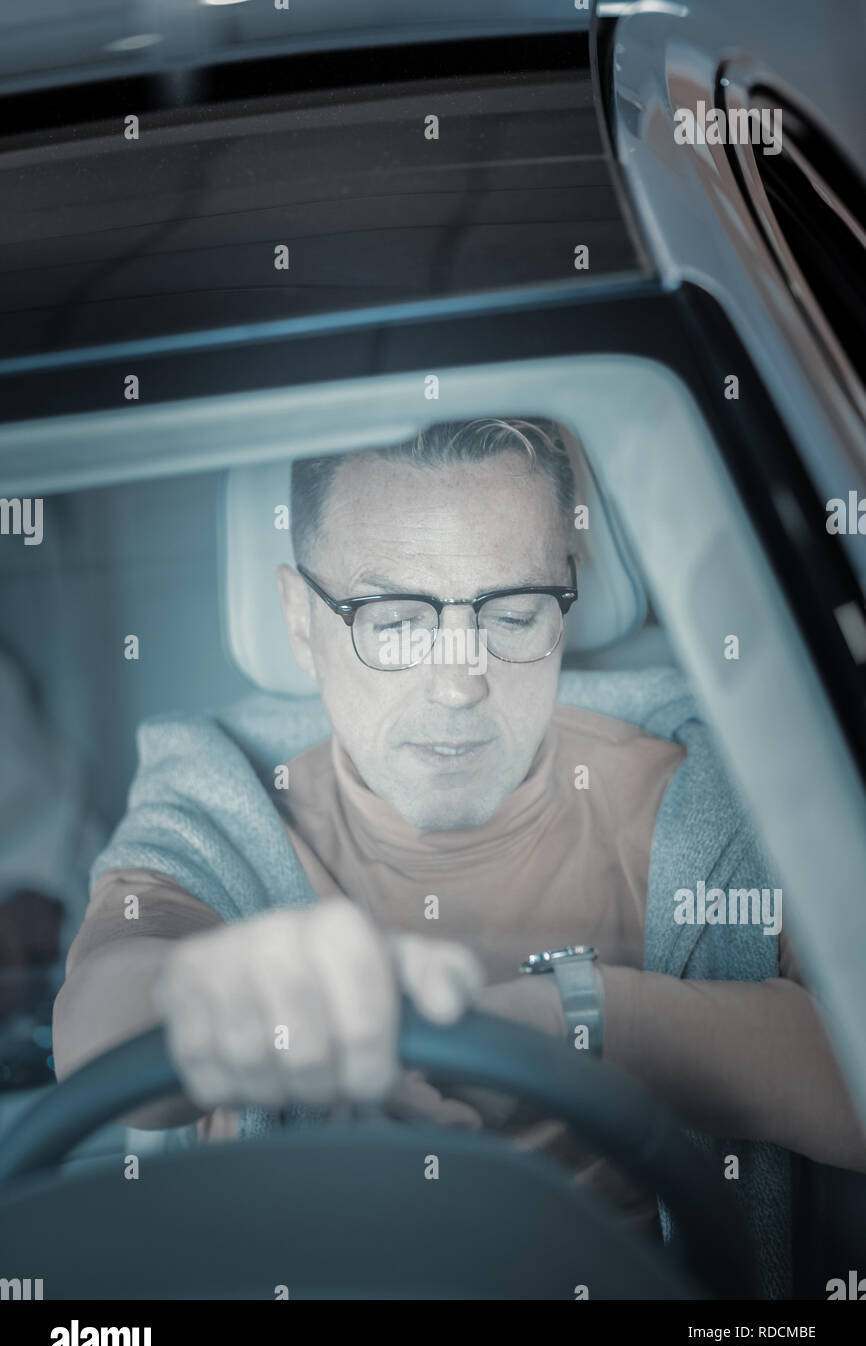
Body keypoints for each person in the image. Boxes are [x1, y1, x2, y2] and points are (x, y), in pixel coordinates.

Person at [51, 417, 866, 1298]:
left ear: (568, 596)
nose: (458, 679)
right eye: (394, 620)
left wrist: (574, 1024)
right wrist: (208, 997)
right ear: (299, 620)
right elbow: (101, 1027)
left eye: (512, 614)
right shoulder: (219, 796)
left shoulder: (718, 800)